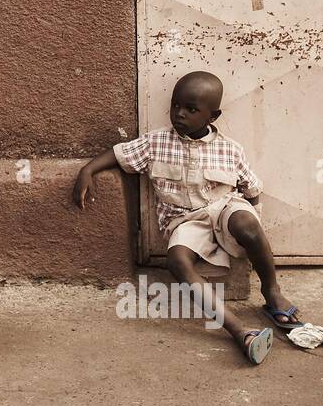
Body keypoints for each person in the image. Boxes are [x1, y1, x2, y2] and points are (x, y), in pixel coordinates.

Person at [72, 70, 304, 365]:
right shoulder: (155, 143)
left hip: (224, 208)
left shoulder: (230, 149)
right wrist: (87, 170)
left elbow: (252, 188)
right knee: (177, 260)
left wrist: (253, 227)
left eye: (191, 109)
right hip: (184, 221)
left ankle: (271, 292)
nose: (180, 114)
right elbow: (119, 155)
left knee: (248, 223)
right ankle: (239, 332)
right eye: (175, 105)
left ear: (212, 116)